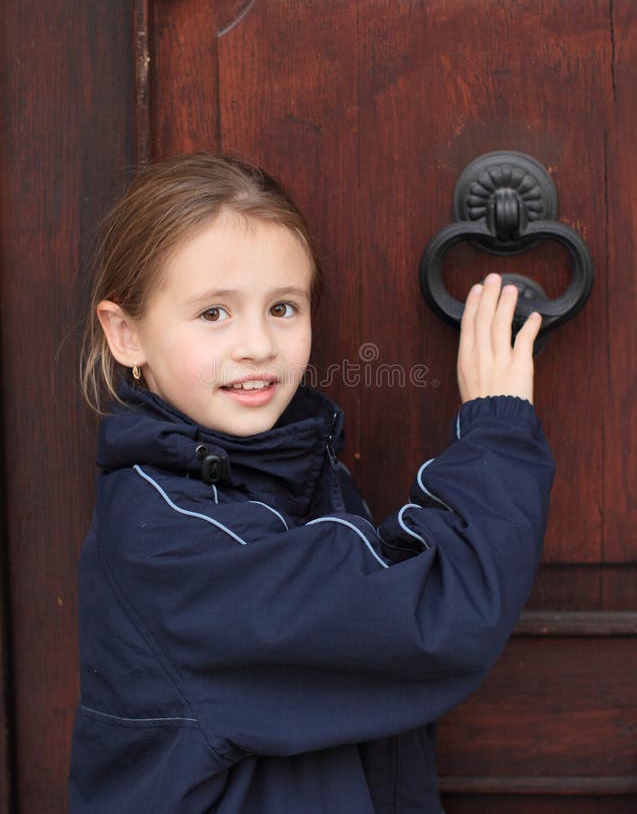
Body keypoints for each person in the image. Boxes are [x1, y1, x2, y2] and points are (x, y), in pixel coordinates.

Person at [68, 152, 554, 814]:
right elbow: (430, 618)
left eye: (283, 307)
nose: (258, 344)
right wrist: (496, 432)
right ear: (126, 333)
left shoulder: (283, 465)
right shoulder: (172, 543)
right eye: (213, 313)